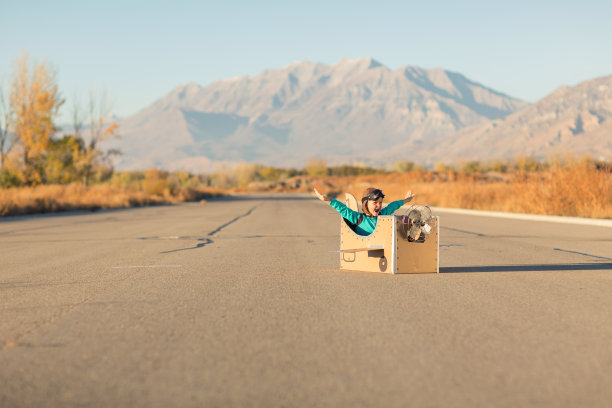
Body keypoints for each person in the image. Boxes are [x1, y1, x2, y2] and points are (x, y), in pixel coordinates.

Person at [313, 187, 415, 236]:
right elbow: (343, 209)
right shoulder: (358, 218)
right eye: (375, 203)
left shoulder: (383, 214)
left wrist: (406, 200)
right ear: (366, 204)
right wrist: (328, 200)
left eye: (380, 202)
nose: (378, 205)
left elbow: (393, 205)